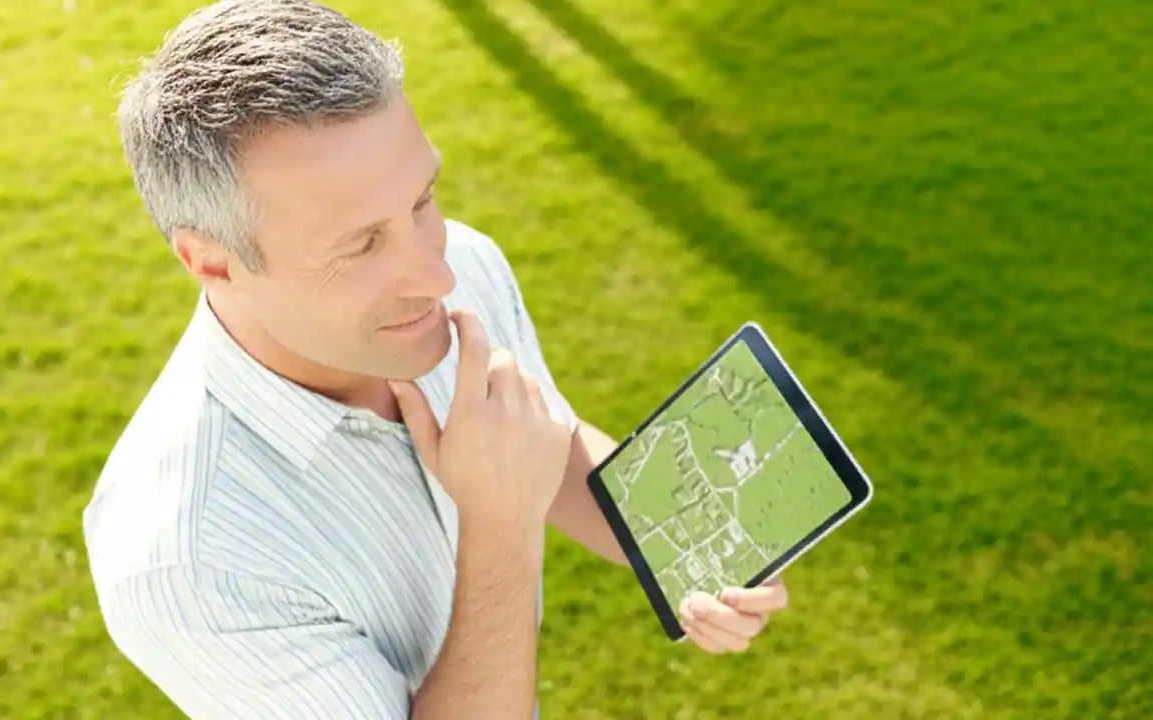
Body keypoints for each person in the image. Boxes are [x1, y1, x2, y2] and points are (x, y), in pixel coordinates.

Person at [81, 1, 788, 717]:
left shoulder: (460, 265)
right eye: (361, 244)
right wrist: (501, 532)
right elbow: (512, 491)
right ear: (212, 262)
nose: (441, 276)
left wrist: (693, 548)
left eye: (422, 201)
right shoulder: (190, 562)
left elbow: (539, 439)